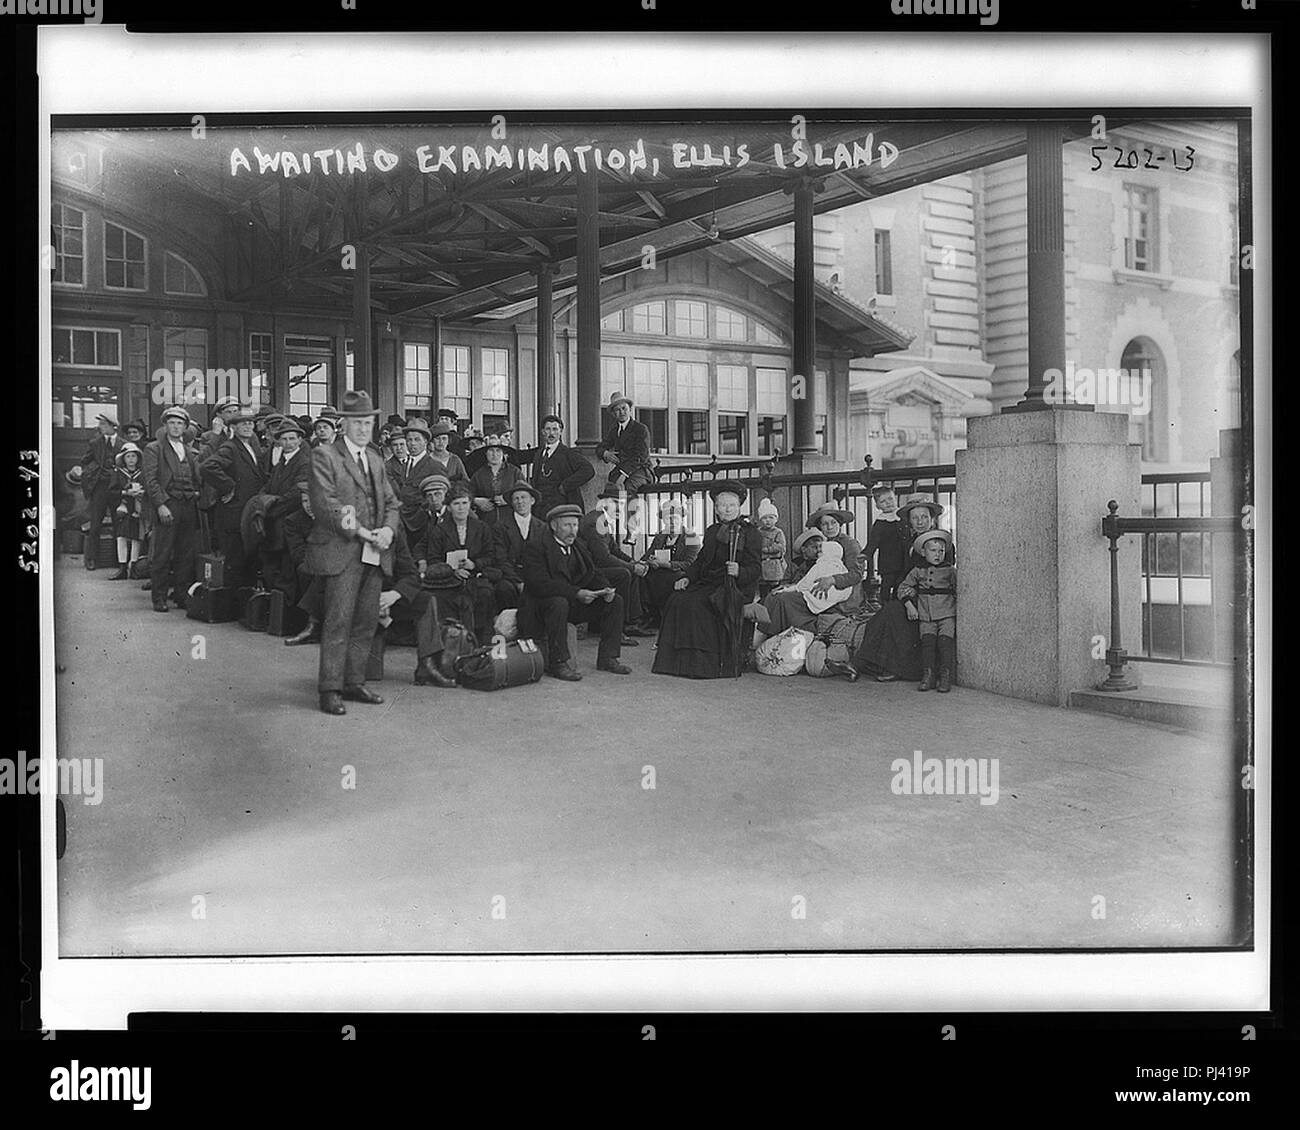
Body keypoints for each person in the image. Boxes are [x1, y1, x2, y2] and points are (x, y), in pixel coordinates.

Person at [306, 389, 400, 716]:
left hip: (374, 550)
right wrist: (362, 531)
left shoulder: (375, 459)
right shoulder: (325, 456)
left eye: (368, 423)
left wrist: (387, 530)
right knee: (338, 620)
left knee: (365, 620)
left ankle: (354, 681)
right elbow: (326, 505)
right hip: (343, 550)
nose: (363, 428)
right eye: (356, 422)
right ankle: (330, 688)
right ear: (343, 424)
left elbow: (390, 502)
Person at [651, 482, 762, 680]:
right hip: (709, 582)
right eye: (722, 505)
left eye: (732, 505)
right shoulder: (712, 531)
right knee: (677, 599)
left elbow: (755, 569)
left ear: (739, 507)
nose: (727, 509)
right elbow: (701, 561)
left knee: (698, 605)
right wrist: (686, 577)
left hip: (734, 586)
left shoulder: (750, 533)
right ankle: (679, 662)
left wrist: (740, 571)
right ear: (716, 508)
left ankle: (703, 665)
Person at [519, 504, 630, 680]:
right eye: (567, 525)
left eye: (575, 525)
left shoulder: (578, 545)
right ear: (554, 526)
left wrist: (605, 588)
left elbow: (592, 572)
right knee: (558, 603)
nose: (573, 531)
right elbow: (540, 584)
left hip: (570, 604)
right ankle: (558, 663)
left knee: (615, 601)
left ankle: (608, 658)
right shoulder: (536, 547)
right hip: (541, 608)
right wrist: (577, 593)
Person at [853, 494, 951, 682]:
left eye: (924, 517)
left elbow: (940, 576)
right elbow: (905, 573)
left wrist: (908, 598)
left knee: (894, 613)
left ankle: (890, 667)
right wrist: (902, 594)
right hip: (911, 594)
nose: (920, 522)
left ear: (932, 519)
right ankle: (866, 664)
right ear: (910, 521)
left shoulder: (940, 543)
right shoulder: (909, 542)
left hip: (934, 599)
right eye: (915, 518)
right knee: (883, 614)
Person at [420, 481, 510, 639]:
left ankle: (480, 640)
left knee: (485, 594)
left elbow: (490, 556)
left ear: (470, 505)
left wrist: (474, 564)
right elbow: (434, 559)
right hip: (447, 580)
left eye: (464, 503)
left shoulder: (481, 528)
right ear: (449, 507)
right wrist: (453, 571)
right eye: (456, 504)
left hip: (475, 577)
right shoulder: (439, 530)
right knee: (443, 599)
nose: (461, 508)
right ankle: (452, 641)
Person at [373, 526, 458, 688]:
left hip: (388, 599)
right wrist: (372, 599)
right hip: (360, 603)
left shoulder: (394, 534)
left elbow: (411, 574)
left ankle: (426, 666)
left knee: (425, 601)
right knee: (367, 674)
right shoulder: (354, 533)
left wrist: (394, 595)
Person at [142, 406, 203, 613]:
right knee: (162, 552)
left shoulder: (188, 450)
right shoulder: (154, 448)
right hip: (168, 505)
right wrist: (160, 505)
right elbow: (150, 480)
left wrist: (196, 493)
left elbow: (195, 478)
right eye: (172, 422)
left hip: (188, 506)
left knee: (185, 554)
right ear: (165, 425)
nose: (176, 427)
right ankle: (158, 598)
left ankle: (180, 594)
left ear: (185, 427)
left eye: (180, 423)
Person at [200, 405, 267, 588]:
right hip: (234, 513)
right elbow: (207, 466)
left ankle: (246, 609)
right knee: (235, 562)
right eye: (242, 424)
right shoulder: (230, 447)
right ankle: (235, 607)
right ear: (233, 428)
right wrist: (229, 486)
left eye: (249, 423)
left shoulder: (251, 447)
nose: (247, 427)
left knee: (249, 561)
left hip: (248, 511)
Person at [897, 528, 957, 693]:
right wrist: (909, 604)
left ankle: (945, 677)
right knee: (928, 644)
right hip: (925, 615)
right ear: (923, 552)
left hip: (947, 614)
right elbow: (903, 587)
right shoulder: (918, 571)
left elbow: (960, 589)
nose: (938, 554)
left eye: (941, 551)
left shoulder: (951, 571)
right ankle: (928, 676)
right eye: (933, 550)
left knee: (945, 644)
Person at [257, 419, 311, 599]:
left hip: (289, 521)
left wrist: (270, 508)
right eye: (284, 439)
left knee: (287, 569)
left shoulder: (304, 462)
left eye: (291, 439)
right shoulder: (281, 463)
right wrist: (261, 498)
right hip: (276, 521)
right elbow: (269, 486)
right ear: (278, 441)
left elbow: (296, 493)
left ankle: (285, 610)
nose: (288, 443)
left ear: (299, 440)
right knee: (275, 565)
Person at [578, 507, 650, 643]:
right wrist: (632, 567)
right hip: (587, 571)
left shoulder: (604, 519)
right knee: (623, 574)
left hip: (597, 567)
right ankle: (617, 629)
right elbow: (603, 557)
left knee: (630, 572)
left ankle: (631, 623)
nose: (619, 509)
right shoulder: (595, 523)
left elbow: (614, 549)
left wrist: (632, 562)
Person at [638, 499, 699, 629]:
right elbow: (647, 555)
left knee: (673, 578)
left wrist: (665, 564)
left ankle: (670, 617)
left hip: (679, 573)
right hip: (659, 571)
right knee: (644, 576)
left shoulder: (691, 536)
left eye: (675, 518)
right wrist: (651, 561)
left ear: (682, 519)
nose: (672, 522)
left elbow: (690, 564)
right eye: (667, 519)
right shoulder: (661, 536)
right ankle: (651, 615)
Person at [527, 414, 594, 516]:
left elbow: (588, 470)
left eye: (555, 429)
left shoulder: (568, 454)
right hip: (540, 507)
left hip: (562, 506)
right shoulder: (539, 454)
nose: (551, 433)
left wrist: (565, 486)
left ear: (560, 432)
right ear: (543, 432)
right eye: (548, 429)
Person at [80, 413, 122, 571]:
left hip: (117, 488)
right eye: (101, 424)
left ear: (113, 426)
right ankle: (92, 559)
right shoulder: (95, 443)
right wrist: (92, 472)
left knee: (119, 523)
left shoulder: (123, 444)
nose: (100, 427)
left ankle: (119, 560)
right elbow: (85, 461)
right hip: (100, 487)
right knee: (95, 523)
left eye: (104, 424)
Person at [494, 480, 548, 605]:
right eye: (516, 499)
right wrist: (518, 582)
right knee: (504, 589)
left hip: (534, 576)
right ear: (511, 503)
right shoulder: (500, 527)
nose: (520, 502)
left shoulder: (542, 527)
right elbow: (501, 558)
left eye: (524, 497)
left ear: (532, 501)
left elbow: (545, 558)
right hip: (510, 576)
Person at [596, 391, 654, 496]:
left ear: (630, 410)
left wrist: (623, 474)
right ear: (613, 414)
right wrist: (605, 453)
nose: (622, 412)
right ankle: (613, 512)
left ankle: (631, 513)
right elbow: (601, 447)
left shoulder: (640, 429)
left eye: (624, 408)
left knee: (627, 490)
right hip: (621, 470)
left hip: (641, 471)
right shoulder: (614, 431)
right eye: (617, 410)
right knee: (609, 492)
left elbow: (641, 457)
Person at [394, 419, 442, 546]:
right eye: (409, 440)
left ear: (425, 442)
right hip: (404, 524)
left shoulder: (434, 466)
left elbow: (442, 497)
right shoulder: (405, 465)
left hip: (423, 525)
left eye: (417, 439)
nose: (412, 444)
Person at [107, 441, 147, 580]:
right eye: (128, 456)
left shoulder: (142, 473)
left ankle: (134, 566)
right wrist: (125, 492)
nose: (131, 459)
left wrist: (141, 493)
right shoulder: (118, 474)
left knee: (137, 537)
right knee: (121, 536)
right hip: (123, 508)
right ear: (123, 459)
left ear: (138, 458)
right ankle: (122, 567)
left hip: (138, 508)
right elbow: (112, 491)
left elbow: (148, 488)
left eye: (134, 456)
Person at [863, 485, 908, 602]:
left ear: (895, 498)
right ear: (877, 506)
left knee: (900, 585)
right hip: (888, 561)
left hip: (904, 559)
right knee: (886, 587)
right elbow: (873, 542)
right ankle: (885, 609)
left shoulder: (904, 517)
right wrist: (866, 554)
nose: (888, 503)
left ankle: (897, 608)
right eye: (883, 501)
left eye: (890, 499)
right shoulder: (880, 523)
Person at [470, 435, 523, 526]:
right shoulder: (478, 475)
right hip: (486, 522)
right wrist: (476, 501)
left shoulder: (515, 472)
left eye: (498, 450)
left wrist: (509, 499)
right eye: (491, 451)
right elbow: (467, 495)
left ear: (504, 454)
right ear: (485, 453)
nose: (494, 454)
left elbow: (525, 494)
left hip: (511, 522)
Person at [755, 497, 787, 598]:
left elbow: (780, 546)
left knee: (775, 588)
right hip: (762, 563)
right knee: (763, 588)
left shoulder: (778, 532)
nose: (767, 520)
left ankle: (774, 605)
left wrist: (767, 549)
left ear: (776, 519)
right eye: (764, 518)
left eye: (771, 518)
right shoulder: (758, 532)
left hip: (774, 564)